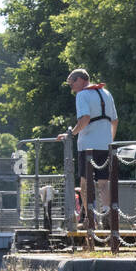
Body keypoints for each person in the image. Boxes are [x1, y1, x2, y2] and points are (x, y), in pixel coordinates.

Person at [56, 68, 117, 224]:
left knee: (84, 183)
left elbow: (85, 119)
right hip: (105, 145)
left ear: (80, 80)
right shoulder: (107, 93)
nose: (72, 88)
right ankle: (107, 215)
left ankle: (91, 220)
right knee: (104, 182)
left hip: (87, 146)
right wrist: (109, 139)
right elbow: (115, 120)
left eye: (72, 83)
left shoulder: (82, 95)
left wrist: (71, 134)